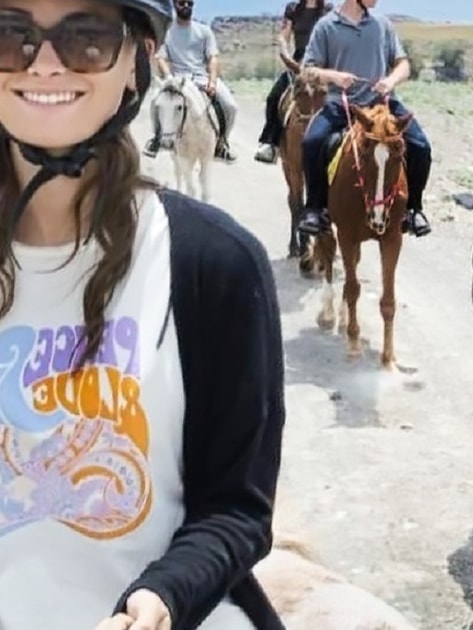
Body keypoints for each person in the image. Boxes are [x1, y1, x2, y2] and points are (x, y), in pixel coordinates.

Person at [0, 0, 286, 629]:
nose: (45, 64)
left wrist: (162, 597)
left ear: (136, 59)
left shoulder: (217, 265)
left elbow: (237, 506)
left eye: (87, 37)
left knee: (236, 109)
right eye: (8, 33)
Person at [296, 0, 432, 237]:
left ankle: (413, 210)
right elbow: (308, 71)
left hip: (382, 106)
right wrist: (335, 77)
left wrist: (390, 81)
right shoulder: (326, 26)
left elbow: (403, 65)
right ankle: (315, 209)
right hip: (342, 106)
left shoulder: (382, 25)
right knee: (312, 142)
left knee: (420, 146)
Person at [142, 0, 237, 162]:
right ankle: (157, 138)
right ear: (174, 5)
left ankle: (222, 144)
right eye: (181, 3)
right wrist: (169, 79)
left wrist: (212, 82)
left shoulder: (204, 31)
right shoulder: (167, 32)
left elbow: (213, 58)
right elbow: (161, 59)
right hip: (177, 79)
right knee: (155, 101)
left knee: (230, 106)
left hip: (201, 78)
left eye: (189, 3)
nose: (186, 6)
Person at [253, 0, 331, 164]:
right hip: (297, 63)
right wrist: (284, 51)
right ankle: (270, 143)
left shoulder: (328, 10)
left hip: (324, 63)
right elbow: (284, 35)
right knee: (274, 98)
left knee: (343, 99)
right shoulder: (293, 9)